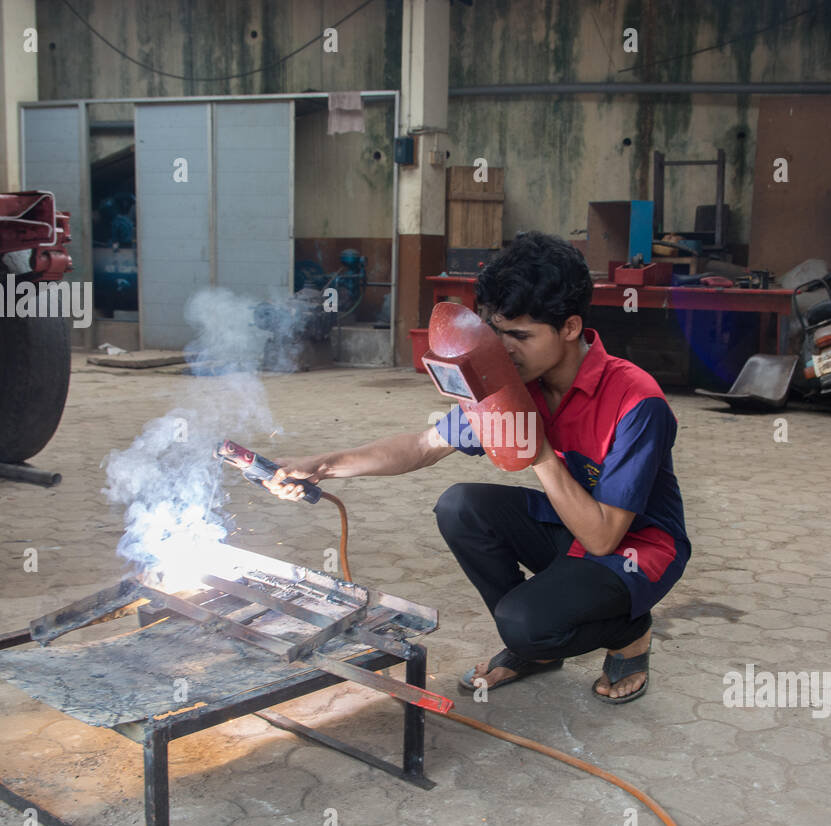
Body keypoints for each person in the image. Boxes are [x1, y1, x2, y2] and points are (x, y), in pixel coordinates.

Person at [262, 231, 689, 703]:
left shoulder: (635, 400)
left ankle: (629, 633)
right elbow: (423, 445)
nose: (503, 349)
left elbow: (605, 538)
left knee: (525, 623)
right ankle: (538, 649)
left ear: (569, 328)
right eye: (497, 332)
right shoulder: (508, 380)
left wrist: (539, 452)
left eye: (520, 336)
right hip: (572, 528)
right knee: (461, 505)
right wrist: (320, 465)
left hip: (635, 550)